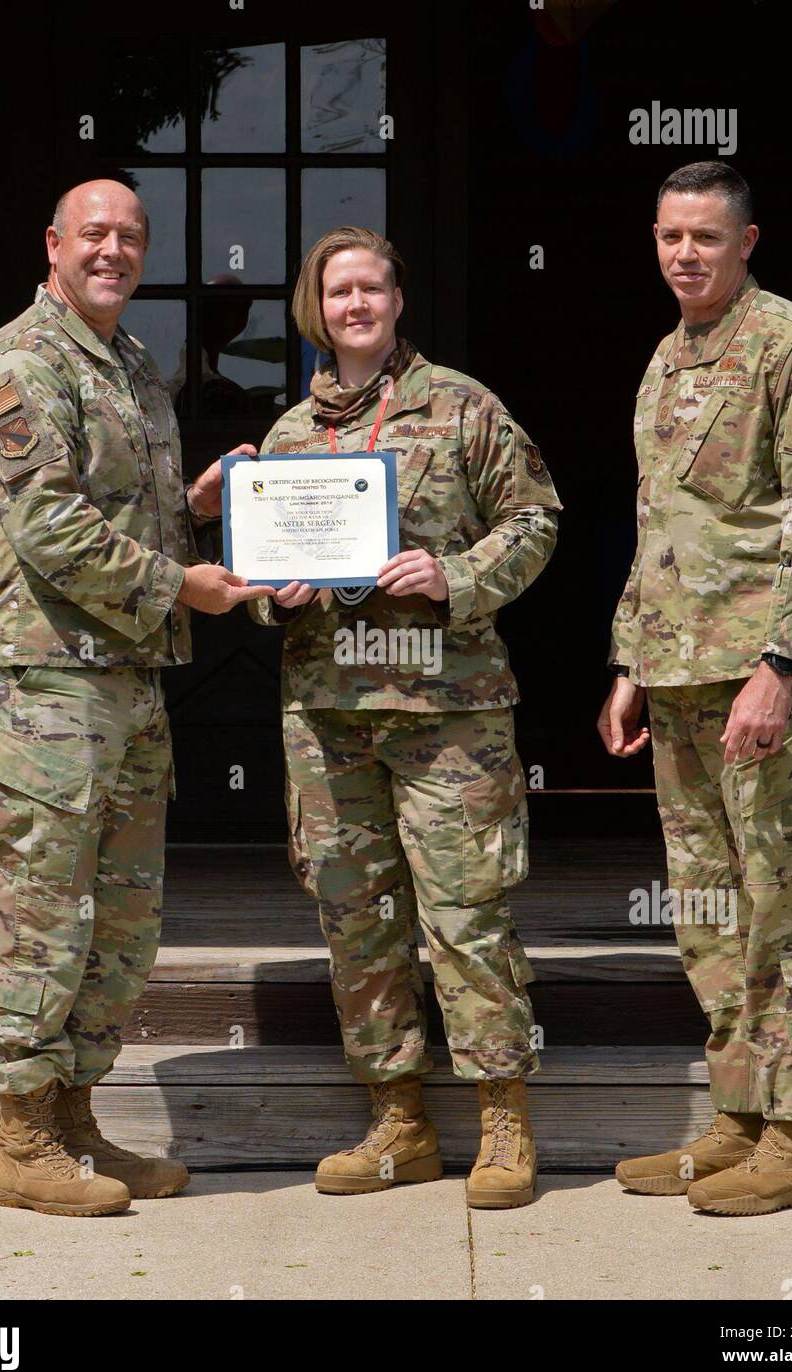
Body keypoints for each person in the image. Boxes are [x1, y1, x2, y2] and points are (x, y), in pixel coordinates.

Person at [0, 179, 273, 1216]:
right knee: (42, 913)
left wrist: (194, 509)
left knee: (122, 917)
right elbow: (49, 528)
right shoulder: (21, 363)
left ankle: (76, 1117)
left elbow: (115, 514)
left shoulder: (129, 364)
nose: (114, 251)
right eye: (95, 234)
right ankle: (23, 1141)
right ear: (54, 244)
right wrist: (182, 582)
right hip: (36, 681)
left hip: (121, 676)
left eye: (130, 237)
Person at [222, 225, 561, 1208]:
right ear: (315, 309)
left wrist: (452, 574)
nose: (356, 306)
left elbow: (536, 519)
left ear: (397, 299)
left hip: (445, 710)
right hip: (330, 716)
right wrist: (266, 597)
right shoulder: (289, 437)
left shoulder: (461, 407)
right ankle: (398, 1120)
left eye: (372, 288)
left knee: (466, 917)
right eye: (338, 293)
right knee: (359, 924)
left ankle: (503, 1115)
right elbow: (253, 577)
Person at [598, 162, 792, 1216]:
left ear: (746, 241)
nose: (684, 255)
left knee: (781, 897)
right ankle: (738, 1113)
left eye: (705, 237)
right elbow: (662, 519)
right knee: (708, 901)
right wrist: (630, 659)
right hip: (677, 666)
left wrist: (783, 666)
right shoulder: (668, 356)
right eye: (669, 236)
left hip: (764, 670)